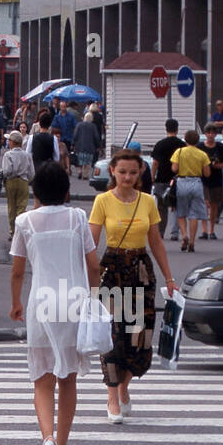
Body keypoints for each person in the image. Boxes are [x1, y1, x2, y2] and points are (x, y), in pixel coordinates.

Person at [10, 162, 102, 445]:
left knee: (42, 379)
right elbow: (93, 266)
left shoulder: (24, 222)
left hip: (40, 304)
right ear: (66, 191)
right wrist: (93, 296)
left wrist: (15, 303)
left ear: (35, 192)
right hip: (73, 303)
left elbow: (18, 271)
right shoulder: (78, 218)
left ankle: (46, 440)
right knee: (68, 380)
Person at [89, 151, 176, 423]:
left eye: (133, 173)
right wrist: (86, 279)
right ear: (112, 171)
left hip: (141, 271)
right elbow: (90, 242)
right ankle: (112, 397)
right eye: (122, 171)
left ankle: (125, 386)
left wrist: (170, 278)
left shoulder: (148, 201)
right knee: (113, 334)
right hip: (112, 269)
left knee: (138, 336)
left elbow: (157, 243)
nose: (127, 177)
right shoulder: (102, 200)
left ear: (140, 174)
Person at [170, 129, 211, 253]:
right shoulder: (202, 154)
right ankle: (192, 242)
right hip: (196, 183)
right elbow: (207, 173)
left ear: (186, 139)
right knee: (194, 214)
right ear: (198, 140)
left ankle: (184, 235)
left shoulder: (179, 151)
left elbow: (174, 168)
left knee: (181, 212)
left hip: (182, 182)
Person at [150, 118, 185, 239]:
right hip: (177, 179)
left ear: (166, 128)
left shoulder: (160, 144)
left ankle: (161, 232)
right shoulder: (182, 145)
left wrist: (152, 176)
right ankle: (174, 232)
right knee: (177, 205)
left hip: (162, 178)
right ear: (177, 129)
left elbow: (155, 162)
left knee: (161, 207)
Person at [0, 129, 34, 239]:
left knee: (11, 207)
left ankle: (12, 231)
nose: (8, 142)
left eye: (9, 140)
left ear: (12, 142)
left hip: (11, 181)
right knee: (22, 206)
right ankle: (20, 231)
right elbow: (31, 173)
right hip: (23, 181)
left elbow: (6, 171)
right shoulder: (27, 155)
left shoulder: (7, 155)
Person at [201, 124, 223, 240]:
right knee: (204, 205)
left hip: (216, 179)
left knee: (214, 205)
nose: (211, 135)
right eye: (208, 133)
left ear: (216, 134)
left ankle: (212, 230)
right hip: (203, 178)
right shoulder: (200, 146)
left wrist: (217, 165)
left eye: (213, 133)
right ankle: (204, 230)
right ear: (205, 134)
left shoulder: (220, 147)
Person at [72, 112, 100, 181]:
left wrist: (73, 144)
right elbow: (96, 137)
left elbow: (75, 135)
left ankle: (80, 171)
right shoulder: (93, 126)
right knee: (88, 161)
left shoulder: (79, 125)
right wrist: (98, 145)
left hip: (80, 146)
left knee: (80, 160)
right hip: (90, 147)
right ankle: (85, 174)